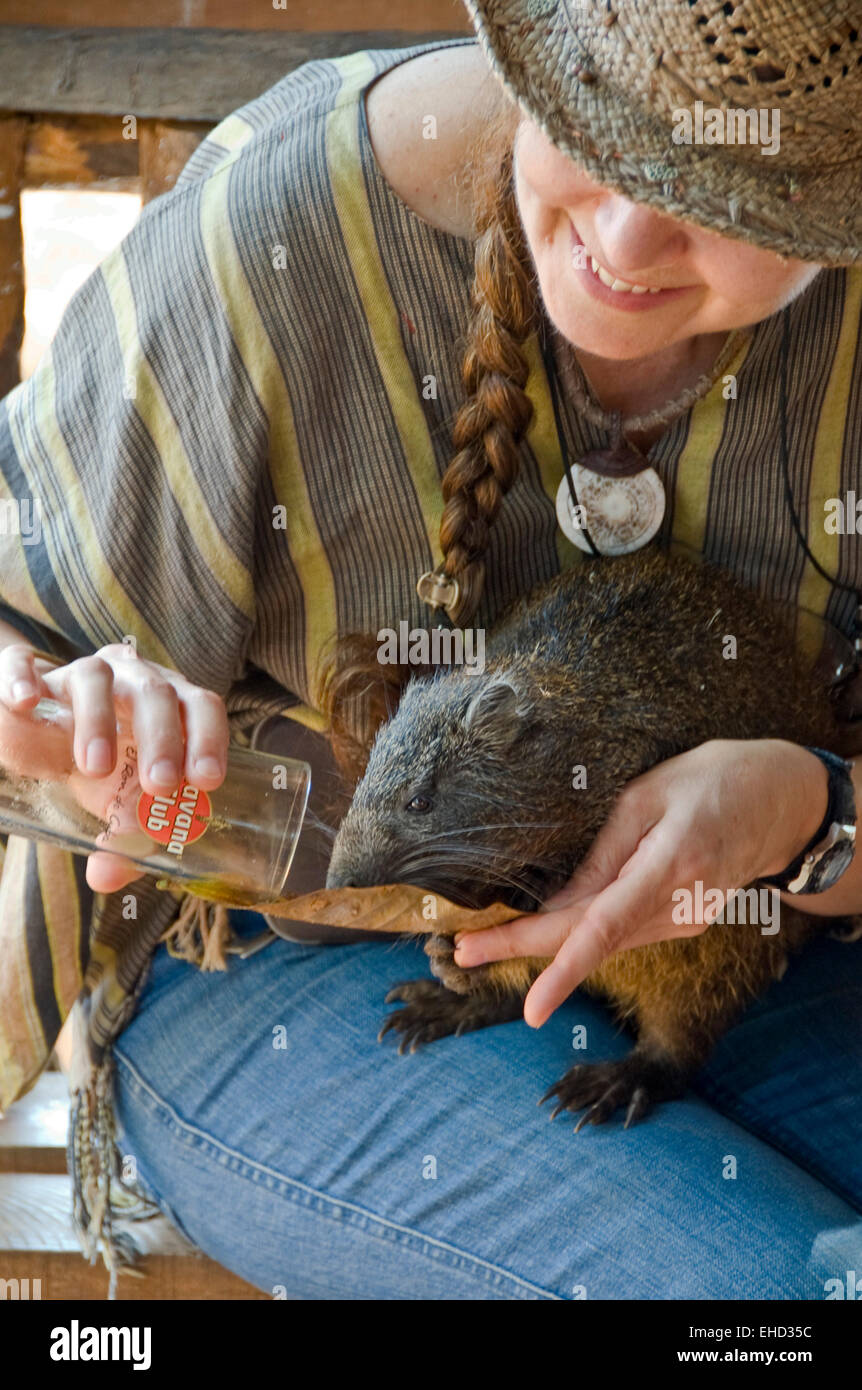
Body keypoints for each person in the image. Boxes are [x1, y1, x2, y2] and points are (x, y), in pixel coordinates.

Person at [1, 0, 861, 1299]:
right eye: (598, 132)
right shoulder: (268, 235)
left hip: (763, 944)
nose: (626, 238)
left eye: (728, 191)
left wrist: (812, 816)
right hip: (283, 963)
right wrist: (47, 701)